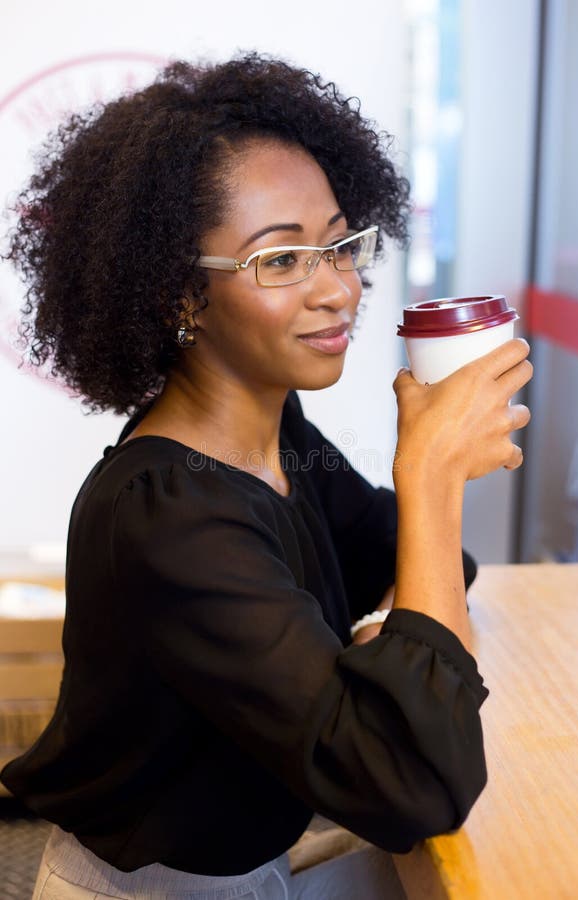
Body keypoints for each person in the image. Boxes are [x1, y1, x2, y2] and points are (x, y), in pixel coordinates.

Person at [0, 53, 532, 899]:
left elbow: (419, 564)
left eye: (341, 244)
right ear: (181, 296)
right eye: (281, 261)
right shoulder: (165, 516)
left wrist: (419, 535)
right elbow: (413, 786)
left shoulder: (276, 430)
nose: (341, 290)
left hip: (258, 868)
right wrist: (430, 476)